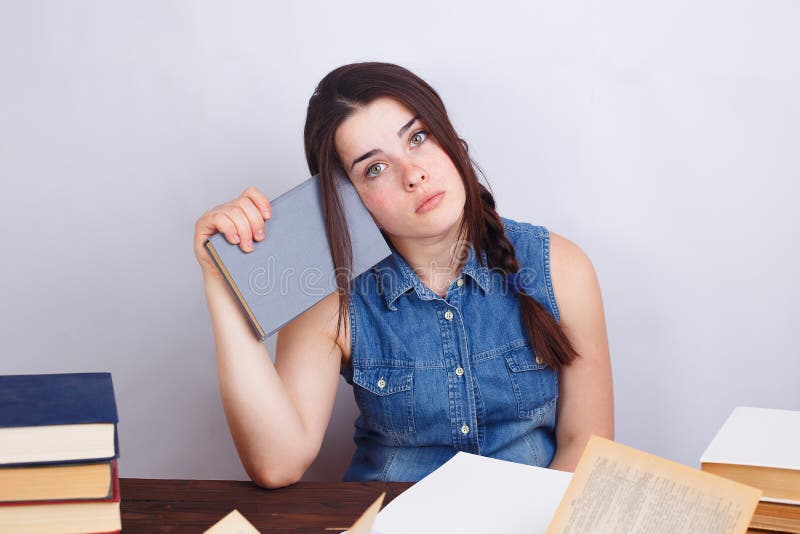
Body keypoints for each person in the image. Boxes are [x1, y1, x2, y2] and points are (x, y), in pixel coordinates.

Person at [193, 62, 613, 488]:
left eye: (418, 138)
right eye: (375, 168)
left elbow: (585, 444)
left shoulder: (560, 268)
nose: (414, 176)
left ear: (449, 137)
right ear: (348, 198)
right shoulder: (331, 297)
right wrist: (223, 283)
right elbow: (277, 463)